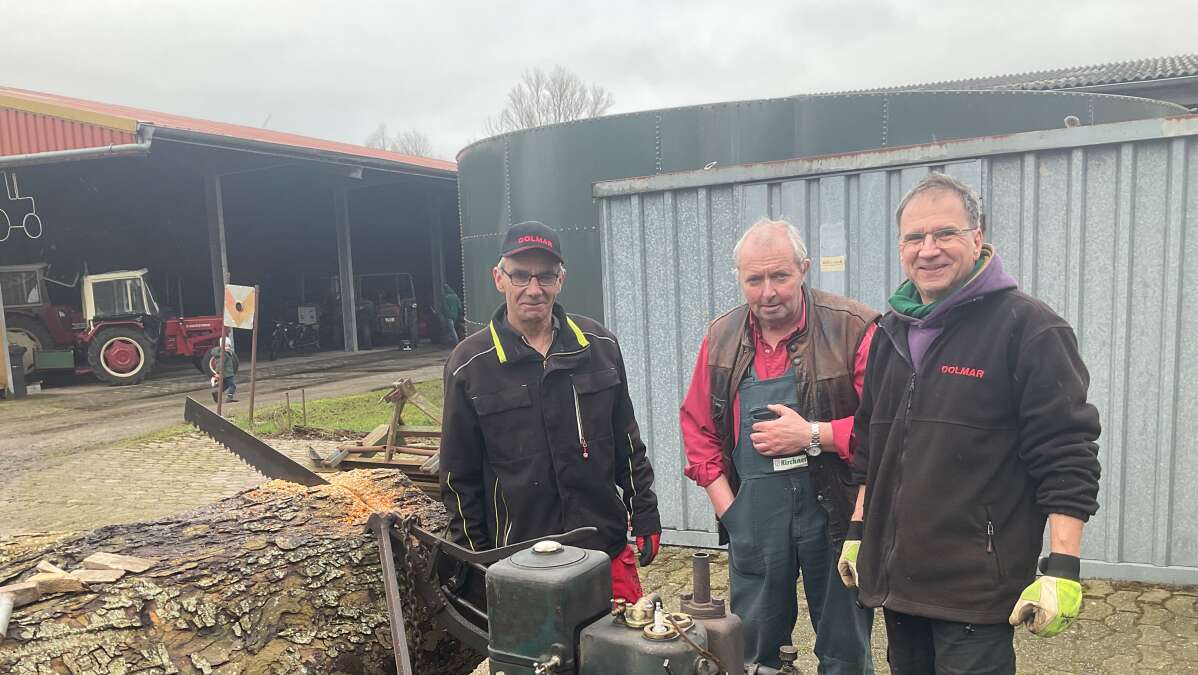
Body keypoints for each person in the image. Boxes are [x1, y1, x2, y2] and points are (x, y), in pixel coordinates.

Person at [839, 173, 1101, 674]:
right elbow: (872, 443)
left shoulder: (1029, 329)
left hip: (974, 590)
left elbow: (1067, 453)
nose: (929, 249)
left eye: (946, 234)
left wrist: (1063, 569)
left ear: (977, 238)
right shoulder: (890, 332)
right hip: (897, 584)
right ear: (900, 247)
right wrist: (858, 531)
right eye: (915, 237)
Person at [681, 218, 877, 672]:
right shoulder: (721, 339)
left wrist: (814, 435)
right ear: (740, 280)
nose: (768, 291)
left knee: (846, 650)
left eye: (780, 276)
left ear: (804, 269)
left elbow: (884, 427)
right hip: (756, 517)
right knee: (751, 647)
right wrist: (729, 508)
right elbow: (697, 428)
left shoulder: (853, 328)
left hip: (836, 512)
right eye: (755, 279)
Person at [439, 221, 661, 602]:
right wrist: (475, 560)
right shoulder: (470, 365)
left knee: (620, 656)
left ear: (561, 279)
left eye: (545, 276)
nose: (533, 289)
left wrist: (645, 511)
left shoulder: (599, 346)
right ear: (499, 278)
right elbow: (459, 478)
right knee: (535, 663)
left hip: (602, 548)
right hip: (520, 564)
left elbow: (627, 439)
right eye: (521, 276)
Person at [206, 335, 238, 403]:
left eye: (229, 346)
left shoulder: (222, 353)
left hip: (225, 373)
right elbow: (220, 364)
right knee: (233, 386)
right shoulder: (224, 354)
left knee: (226, 386)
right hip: (227, 373)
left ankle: (216, 393)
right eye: (228, 345)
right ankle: (229, 398)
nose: (229, 347)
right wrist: (218, 373)